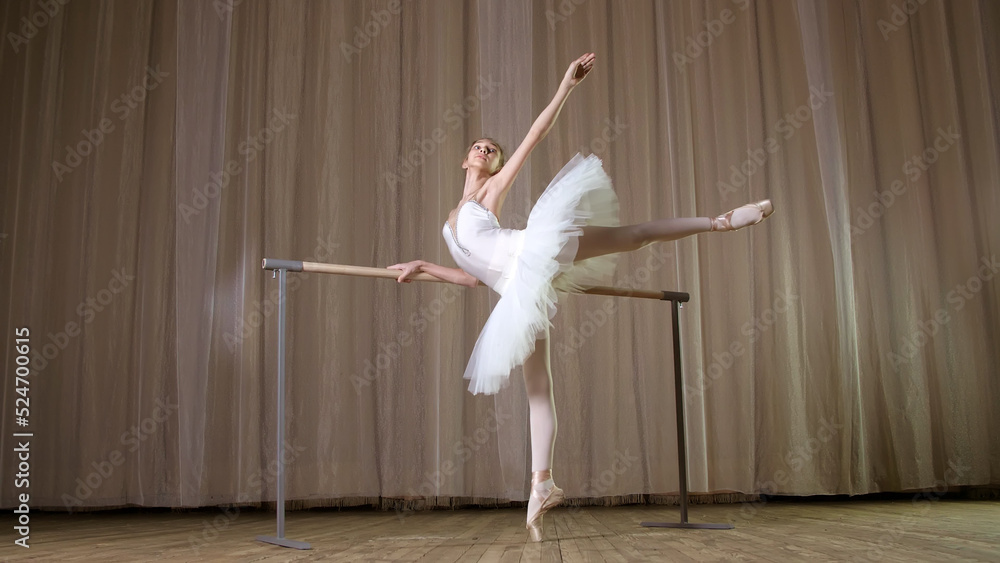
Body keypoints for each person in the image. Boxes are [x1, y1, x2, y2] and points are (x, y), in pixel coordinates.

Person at [389, 53, 773, 541]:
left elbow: (534, 135)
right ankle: (541, 484)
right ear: (465, 159)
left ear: (497, 165)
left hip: (530, 252)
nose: (485, 150)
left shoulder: (489, 194)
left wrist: (565, 87)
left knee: (632, 236)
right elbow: (471, 279)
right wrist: (423, 266)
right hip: (517, 291)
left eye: (492, 150)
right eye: (478, 147)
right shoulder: (451, 218)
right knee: (538, 390)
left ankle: (720, 222)